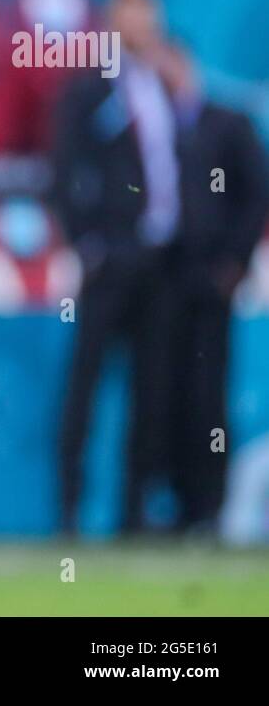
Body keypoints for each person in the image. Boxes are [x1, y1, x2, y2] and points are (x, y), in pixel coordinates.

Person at [51, 0, 181, 536]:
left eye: (146, 14)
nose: (138, 25)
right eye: (128, 13)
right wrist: (90, 243)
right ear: (109, 20)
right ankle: (70, 512)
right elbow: (62, 171)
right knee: (86, 386)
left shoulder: (168, 85)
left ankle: (136, 512)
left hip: (163, 262)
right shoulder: (88, 90)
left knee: (152, 390)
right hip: (110, 262)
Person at [156, 41, 268, 534]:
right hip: (160, 281)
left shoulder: (228, 121)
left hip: (212, 281)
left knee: (208, 395)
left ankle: (210, 505)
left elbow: (255, 194)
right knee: (162, 393)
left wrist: (235, 263)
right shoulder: (151, 123)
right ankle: (171, 503)